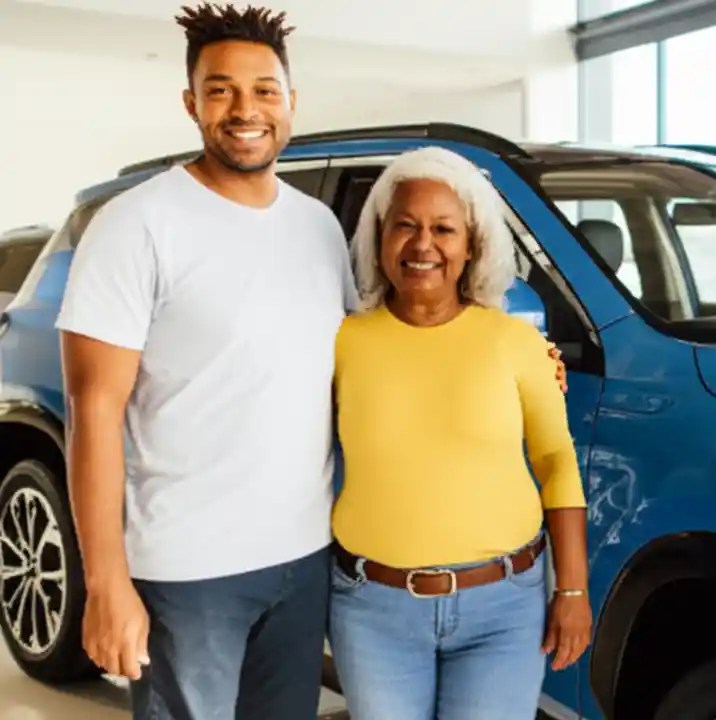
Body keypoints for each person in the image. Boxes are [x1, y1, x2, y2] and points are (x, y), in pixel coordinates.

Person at [54, 4, 565, 719]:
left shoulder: (318, 227)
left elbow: (390, 341)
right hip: (186, 568)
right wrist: (105, 583)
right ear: (190, 102)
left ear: (290, 102)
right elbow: (93, 411)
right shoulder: (137, 225)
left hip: (304, 562)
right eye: (221, 88)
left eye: (264, 89)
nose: (245, 109)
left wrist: (523, 358)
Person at [326, 146, 593, 720]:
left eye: (444, 229)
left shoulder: (517, 344)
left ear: (471, 245)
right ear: (379, 236)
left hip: (503, 610)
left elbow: (556, 460)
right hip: (374, 612)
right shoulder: (341, 342)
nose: (423, 246)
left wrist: (572, 589)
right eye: (405, 226)